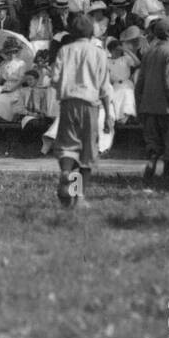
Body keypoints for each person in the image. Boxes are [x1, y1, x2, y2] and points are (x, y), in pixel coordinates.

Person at [48, 14, 114, 208]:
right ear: (91, 32)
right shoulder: (99, 53)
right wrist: (109, 115)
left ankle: (66, 173)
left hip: (68, 104)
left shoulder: (64, 50)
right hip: (90, 105)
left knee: (68, 145)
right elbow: (104, 87)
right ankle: (80, 197)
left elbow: (54, 79)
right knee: (87, 151)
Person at [138, 22, 169, 181]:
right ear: (167, 33)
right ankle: (166, 177)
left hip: (149, 106)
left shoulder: (149, 52)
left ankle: (149, 172)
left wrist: (140, 104)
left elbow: (140, 82)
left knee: (153, 145)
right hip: (167, 108)